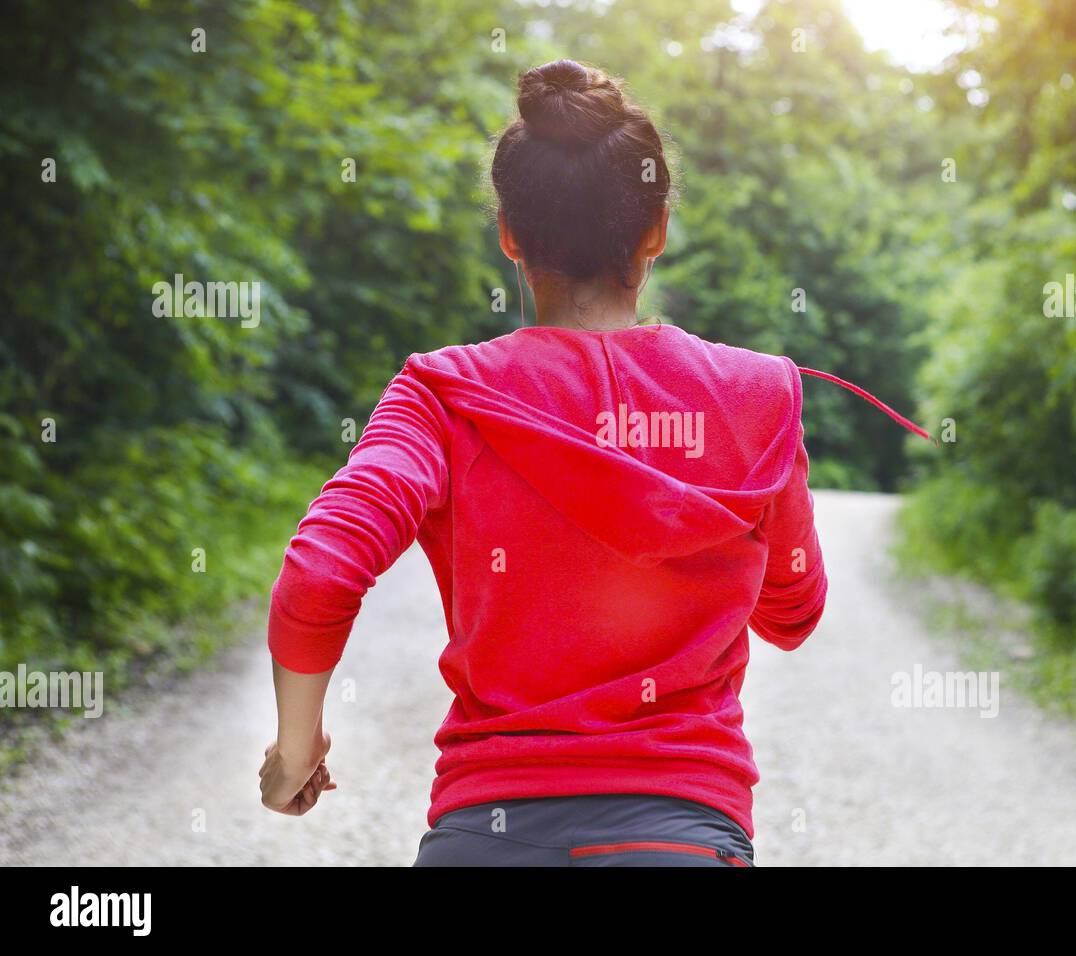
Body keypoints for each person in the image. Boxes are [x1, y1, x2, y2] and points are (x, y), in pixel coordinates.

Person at [257, 59, 828, 867]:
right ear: (657, 229)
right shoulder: (757, 391)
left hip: (484, 833)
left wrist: (294, 754)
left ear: (511, 236)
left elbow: (320, 572)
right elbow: (793, 614)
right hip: (677, 832)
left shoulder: (441, 392)